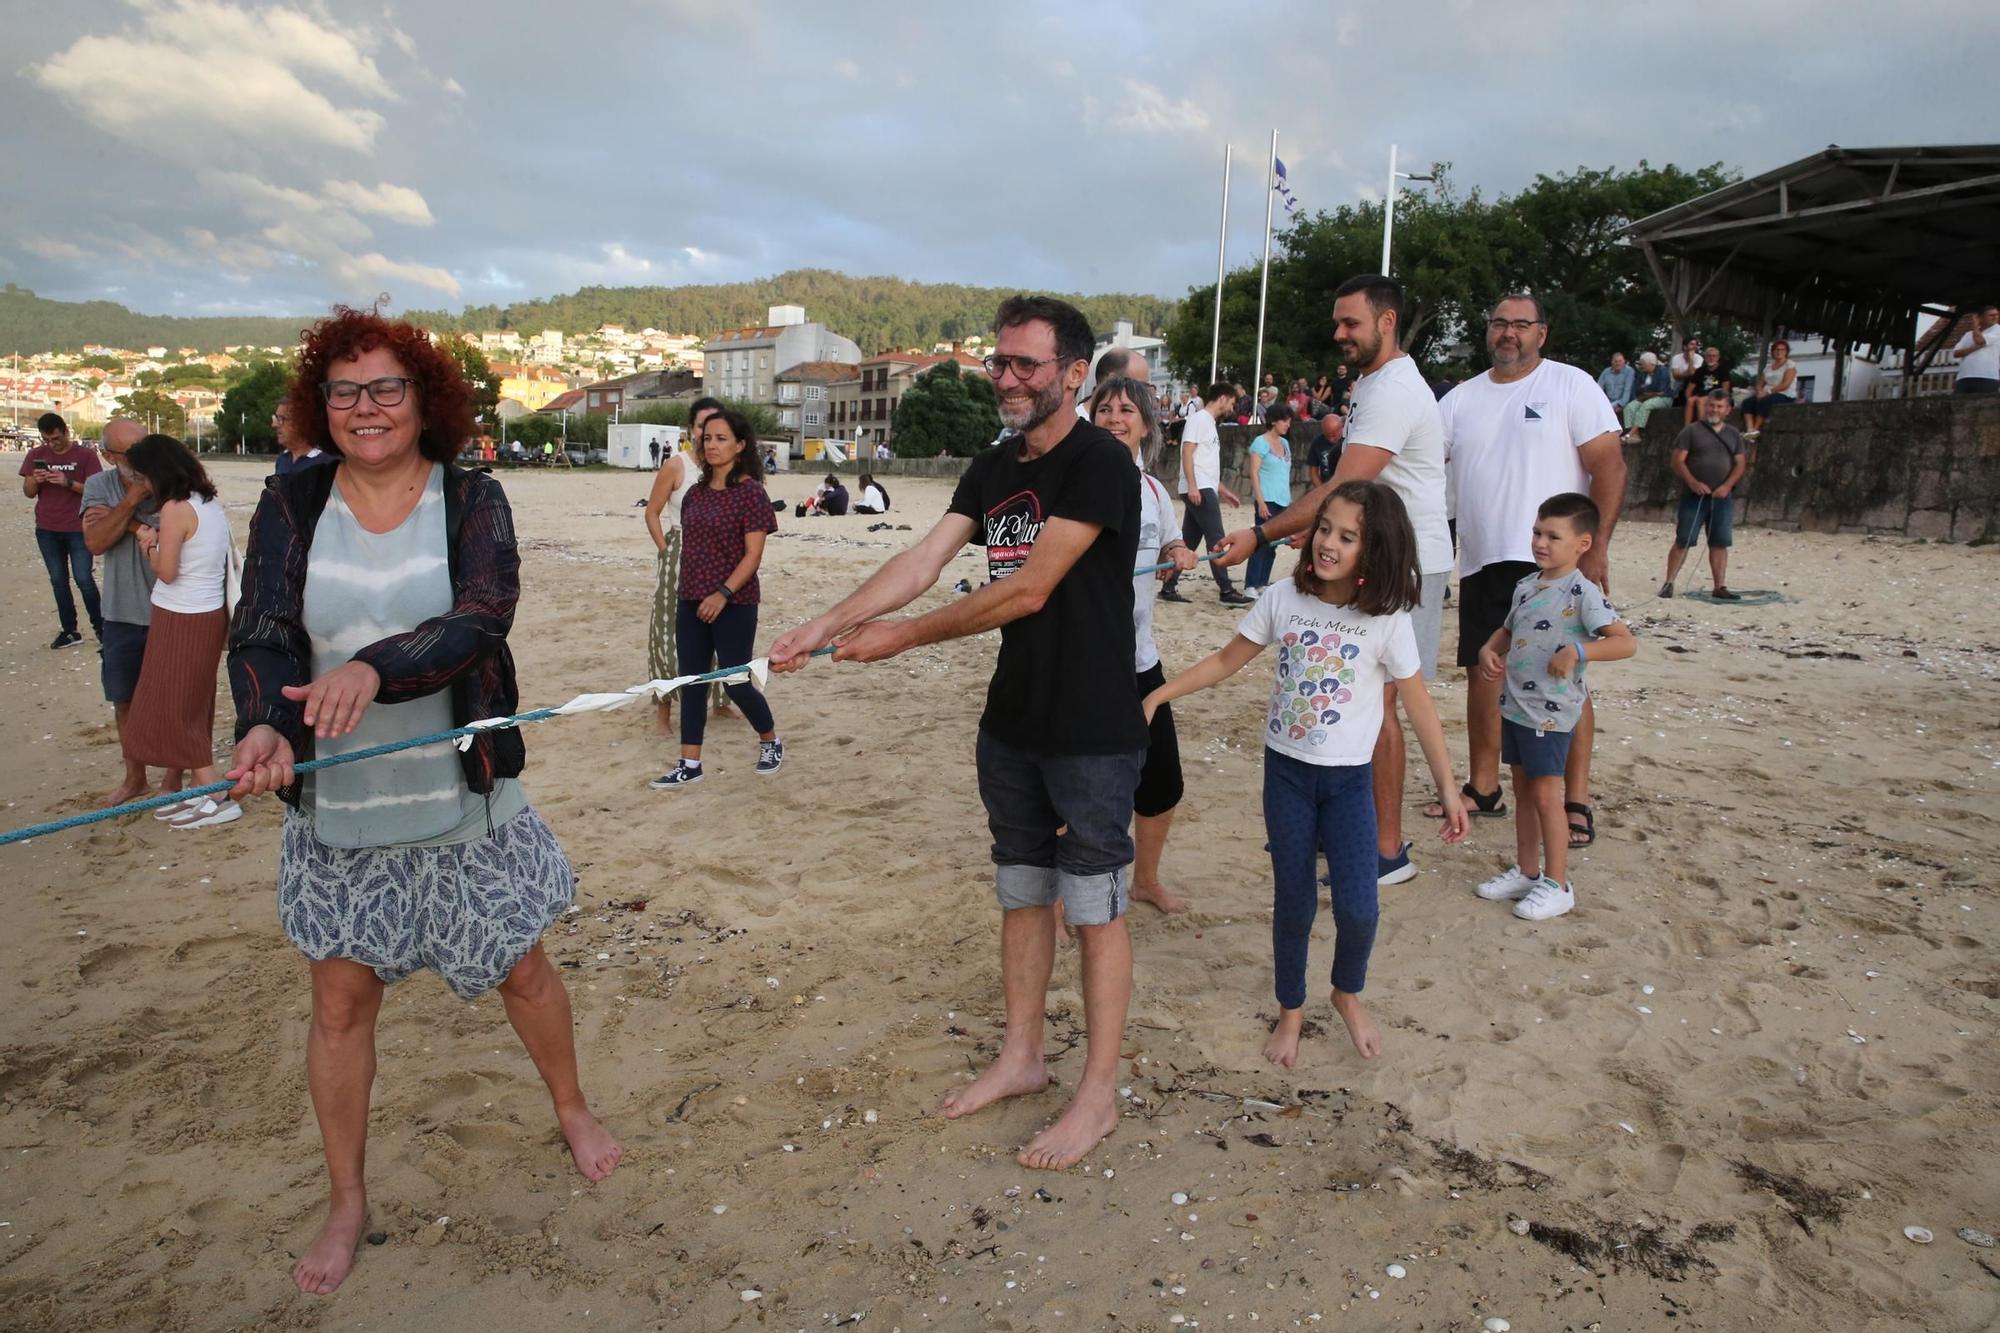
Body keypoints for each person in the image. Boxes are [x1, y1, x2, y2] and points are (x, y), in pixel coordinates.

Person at [225, 305, 620, 1296]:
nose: (366, 407)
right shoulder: (291, 502)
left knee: (520, 968)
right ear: (323, 404)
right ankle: (348, 1198)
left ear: (422, 399)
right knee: (338, 1000)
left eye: (386, 387)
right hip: (341, 798)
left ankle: (570, 1105)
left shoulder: (471, 498)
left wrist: (371, 668)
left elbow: (480, 619)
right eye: (345, 389)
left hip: (459, 788)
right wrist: (266, 723)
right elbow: (263, 627)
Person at [768, 295, 1142, 1172]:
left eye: (1025, 365)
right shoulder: (994, 465)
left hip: (1091, 726)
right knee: (1021, 886)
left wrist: (901, 637)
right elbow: (921, 558)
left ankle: (1097, 1093)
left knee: (1093, 905)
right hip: (1012, 719)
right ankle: (1021, 1055)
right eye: (998, 363)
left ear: (1074, 374)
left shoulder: (1101, 463)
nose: (1006, 379)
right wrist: (825, 621)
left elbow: (1028, 589)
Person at [1143, 482, 1469, 1065]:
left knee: (1359, 907)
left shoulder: (1387, 620)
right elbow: (1225, 660)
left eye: (1348, 537)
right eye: (1325, 529)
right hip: (1287, 776)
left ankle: (1346, 993)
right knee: (1293, 902)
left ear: (1377, 550)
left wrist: (1449, 790)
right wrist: (1160, 695)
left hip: (1348, 784)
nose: (1329, 544)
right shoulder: (1283, 598)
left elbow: (1418, 706)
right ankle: (1290, 1010)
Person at [1215, 275, 1453, 888]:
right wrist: (1325, 537)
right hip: (1369, 554)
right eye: (1337, 322)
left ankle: (1385, 850)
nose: (1339, 334)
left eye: (1351, 323)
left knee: (1383, 703)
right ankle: (1351, 830)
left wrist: (1261, 535)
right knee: (1355, 696)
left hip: (1407, 564)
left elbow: (1348, 487)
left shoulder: (1395, 389)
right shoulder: (1374, 385)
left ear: (1388, 321)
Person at [1436, 294, 1626, 850]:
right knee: (1483, 669)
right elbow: (1425, 465)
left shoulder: (1572, 386)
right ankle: (1485, 786)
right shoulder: (1461, 399)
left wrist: (1597, 548)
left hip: (1554, 564)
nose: (1508, 333)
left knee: (1563, 676)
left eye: (1521, 324)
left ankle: (1575, 799)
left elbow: (1609, 464)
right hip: (1482, 558)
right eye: (1499, 323)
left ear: (1542, 332)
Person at [1473, 493, 1636, 921]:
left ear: (1582, 544)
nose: (1541, 543)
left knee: (1548, 796)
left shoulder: (1582, 592)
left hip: (1551, 713)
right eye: (1537, 533)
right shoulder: (1526, 585)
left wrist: (1579, 652)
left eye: (1553, 536)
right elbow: (1506, 631)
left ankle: (1558, 883)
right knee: (1524, 793)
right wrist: (1490, 650)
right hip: (1517, 708)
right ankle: (1528, 871)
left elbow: (1624, 642)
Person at [1091, 374, 1196, 914]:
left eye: (1127, 410)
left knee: (1161, 780)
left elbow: (1171, 539)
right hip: (1084, 665)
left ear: (1146, 426)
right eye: (1104, 408)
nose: (1114, 418)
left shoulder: (1154, 491)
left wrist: (1178, 550)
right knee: (1076, 783)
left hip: (1140, 659)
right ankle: (1066, 897)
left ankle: (1145, 879)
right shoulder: (1075, 483)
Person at [651, 409, 782, 788]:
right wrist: (686, 590)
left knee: (734, 680)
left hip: (735, 602)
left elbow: (753, 556)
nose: (711, 445)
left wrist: (723, 593)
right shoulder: (694, 493)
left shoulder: (751, 494)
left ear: (740, 446)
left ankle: (770, 741)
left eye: (721, 438)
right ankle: (689, 764)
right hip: (690, 597)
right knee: (691, 680)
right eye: (707, 438)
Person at [121, 434, 237, 829]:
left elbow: (167, 572)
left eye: (141, 476)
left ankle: (215, 791)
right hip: (208, 614)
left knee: (174, 705)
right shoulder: (209, 503)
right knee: (193, 702)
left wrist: (147, 545)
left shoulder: (175, 508)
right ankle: (203, 790)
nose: (141, 484)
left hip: (182, 615)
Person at [81, 419, 184, 807]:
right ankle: (134, 778)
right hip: (121, 612)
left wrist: (127, 522)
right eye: (132, 452)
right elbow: (95, 541)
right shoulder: (98, 486)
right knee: (123, 698)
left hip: (173, 607)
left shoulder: (175, 484)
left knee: (172, 699)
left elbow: (173, 536)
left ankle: (173, 779)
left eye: (147, 445)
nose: (143, 457)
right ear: (109, 456)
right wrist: (131, 502)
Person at [644, 397, 719, 736]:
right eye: (702, 426)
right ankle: (664, 711)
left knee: (719, 631)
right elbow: (652, 512)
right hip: (680, 554)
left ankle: (721, 700)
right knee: (668, 631)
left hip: (719, 557)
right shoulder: (677, 466)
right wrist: (666, 551)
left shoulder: (726, 467)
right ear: (692, 429)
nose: (708, 433)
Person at [1159, 381, 1251, 606]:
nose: (1232, 407)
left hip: (1203, 486)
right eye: (1231, 401)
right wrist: (1192, 486)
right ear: (1222, 398)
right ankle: (1226, 590)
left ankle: (1169, 587)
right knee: (1216, 539)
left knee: (1189, 540)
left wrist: (1224, 491)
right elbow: (1187, 452)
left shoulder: (1208, 423)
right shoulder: (1199, 419)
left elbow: (1205, 464)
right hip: (1198, 488)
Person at [19, 411, 104, 649]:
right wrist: (36, 479)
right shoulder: (36, 455)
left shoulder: (85, 455)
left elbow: (96, 491)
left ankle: (102, 629)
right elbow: (28, 492)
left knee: (84, 579)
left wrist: (67, 482)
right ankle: (70, 630)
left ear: (65, 432)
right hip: (47, 527)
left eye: (56, 438)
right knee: (58, 580)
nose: (52, 444)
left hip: (78, 527)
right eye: (47, 440)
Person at [1659, 387, 1747, 600]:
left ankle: (1720, 586)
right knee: (1683, 539)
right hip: (1693, 496)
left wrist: (1727, 486)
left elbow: (1740, 464)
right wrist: (1692, 482)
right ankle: (1668, 583)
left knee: (1720, 541)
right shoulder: (1691, 431)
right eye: (1711, 405)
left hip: (1722, 497)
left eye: (1719, 406)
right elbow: (1677, 461)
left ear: (1728, 410)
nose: (1714, 410)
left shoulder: (1734, 434)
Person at [1243, 401, 1296, 594]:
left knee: (1273, 544)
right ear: (1274, 421)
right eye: (1285, 421)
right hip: (1267, 498)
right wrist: (1261, 501)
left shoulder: (1285, 443)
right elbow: (1254, 473)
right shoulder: (1260, 442)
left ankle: (1262, 582)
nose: (1288, 425)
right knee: (1260, 542)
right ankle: (1250, 584)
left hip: (1283, 499)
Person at [1740, 339, 1797, 439]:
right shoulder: (1768, 367)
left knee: (1765, 401)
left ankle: (1755, 430)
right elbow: (1760, 383)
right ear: (1773, 352)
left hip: (1784, 394)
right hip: (1766, 393)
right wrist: (1759, 391)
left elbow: (1785, 384)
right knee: (1747, 402)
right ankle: (1749, 429)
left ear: (1786, 352)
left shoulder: (1790, 365)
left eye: (1782, 349)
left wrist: (1768, 392)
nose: (1779, 352)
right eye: (1776, 349)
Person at [1621, 351, 1675, 442]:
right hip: (1645, 397)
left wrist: (1648, 394)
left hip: (1664, 398)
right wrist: (1642, 394)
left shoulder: (1663, 371)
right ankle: (1635, 435)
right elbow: (1637, 388)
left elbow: (1662, 392)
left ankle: (1630, 433)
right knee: (1630, 407)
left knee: (1646, 406)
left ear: (1651, 364)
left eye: (1643, 364)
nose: (1641, 366)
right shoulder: (1642, 373)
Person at [272, 397, 329, 475]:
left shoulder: (327, 464)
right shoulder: (282, 460)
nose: (274, 425)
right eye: (276, 418)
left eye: (282, 419)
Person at [1952, 305, 2000, 395]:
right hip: (1964, 376)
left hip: (1987, 376)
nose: (1995, 317)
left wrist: (1975, 326)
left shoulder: (1998, 330)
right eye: (1991, 315)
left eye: (1996, 314)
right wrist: (1975, 347)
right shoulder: (1968, 334)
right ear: (1980, 317)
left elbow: (1979, 340)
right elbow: (1956, 353)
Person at [1686, 345, 1731, 423]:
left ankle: (1703, 427)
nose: (1711, 358)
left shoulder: (1723, 370)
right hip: (1700, 394)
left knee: (1700, 401)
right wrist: (1689, 398)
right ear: (1705, 357)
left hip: (1715, 396)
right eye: (1709, 356)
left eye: (1714, 356)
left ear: (1718, 357)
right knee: (1690, 401)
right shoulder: (1700, 371)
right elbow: (1689, 389)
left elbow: (1725, 389)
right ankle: (1686, 429)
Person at [1306, 411, 1344, 486]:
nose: (1330, 439)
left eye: (1334, 435)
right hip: (1327, 484)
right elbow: (1313, 471)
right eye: (1327, 436)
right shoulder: (1317, 442)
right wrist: (1321, 490)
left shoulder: (1349, 440)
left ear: (1341, 428)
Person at [1670, 336, 1703, 418]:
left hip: (1693, 386)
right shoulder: (1676, 358)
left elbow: (1693, 374)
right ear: (1685, 347)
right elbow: (1676, 376)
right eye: (1692, 344)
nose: (1694, 347)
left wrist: (1691, 360)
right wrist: (1687, 373)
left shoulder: (1699, 358)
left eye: (1696, 344)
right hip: (1679, 386)